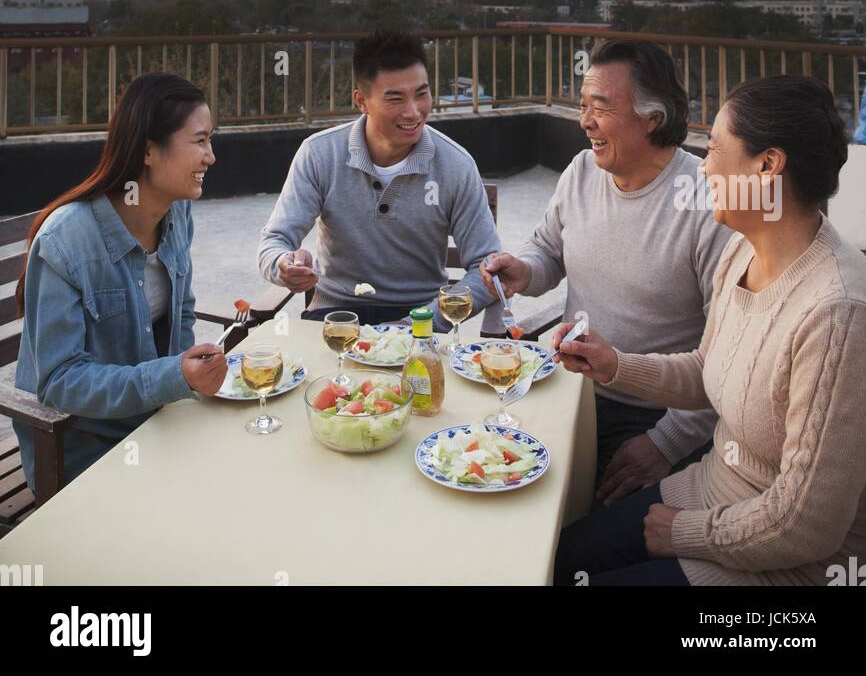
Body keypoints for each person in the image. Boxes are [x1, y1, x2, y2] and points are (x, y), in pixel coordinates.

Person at [552, 75, 866, 587]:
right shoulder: (744, 249)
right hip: (710, 491)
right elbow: (709, 370)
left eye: (716, 149)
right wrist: (615, 365)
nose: (703, 166)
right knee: (558, 562)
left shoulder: (837, 314)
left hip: (788, 564)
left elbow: (808, 525)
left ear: (767, 167)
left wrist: (686, 534)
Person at [481, 39, 733, 507]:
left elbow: (728, 359)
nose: (585, 121)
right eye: (582, 106)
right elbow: (547, 252)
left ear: (653, 117)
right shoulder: (581, 171)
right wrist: (523, 269)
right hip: (568, 387)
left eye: (601, 107)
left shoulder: (706, 203)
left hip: (653, 413)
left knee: (575, 526)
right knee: (487, 467)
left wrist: (666, 443)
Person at [14, 74, 227, 489]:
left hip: (158, 423)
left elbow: (181, 310)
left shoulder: (176, 213)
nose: (211, 157)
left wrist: (187, 375)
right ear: (149, 149)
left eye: (210, 141)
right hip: (80, 446)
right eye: (200, 141)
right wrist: (170, 379)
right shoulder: (68, 239)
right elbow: (60, 381)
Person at [257, 30, 500, 327]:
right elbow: (275, 240)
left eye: (422, 94)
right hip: (336, 316)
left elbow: (486, 268)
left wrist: (424, 320)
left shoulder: (455, 165)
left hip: (423, 317)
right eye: (395, 99)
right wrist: (282, 265)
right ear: (361, 101)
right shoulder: (320, 154)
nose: (413, 112)